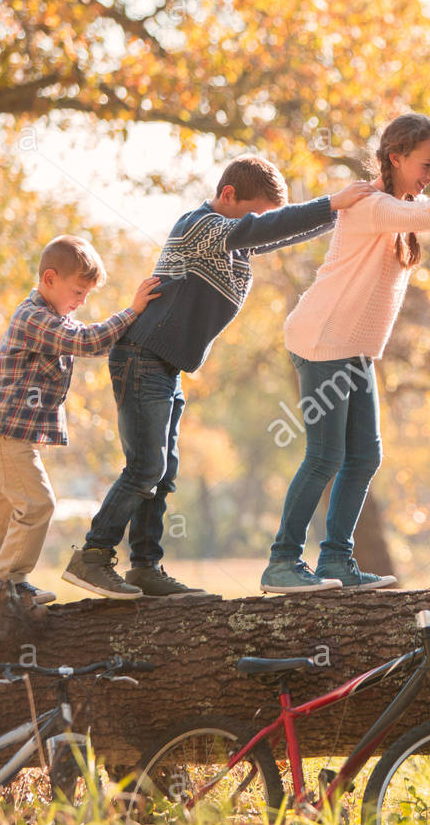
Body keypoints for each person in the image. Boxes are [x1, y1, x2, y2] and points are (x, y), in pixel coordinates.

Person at [62, 157, 375, 599]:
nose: (259, 224)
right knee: (145, 467)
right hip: (141, 356)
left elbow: (279, 230)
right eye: (254, 213)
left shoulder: (236, 240)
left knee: (163, 472)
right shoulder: (200, 225)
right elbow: (262, 229)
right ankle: (92, 556)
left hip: (165, 365)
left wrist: (342, 211)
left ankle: (145, 567)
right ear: (228, 196)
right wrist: (331, 201)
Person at [261, 114, 430, 593]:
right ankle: (282, 562)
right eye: (425, 165)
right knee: (325, 456)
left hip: (354, 351)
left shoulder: (399, 208)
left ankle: (336, 560)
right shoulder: (371, 205)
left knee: (364, 457)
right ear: (395, 158)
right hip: (323, 341)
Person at [0, 235, 160, 606]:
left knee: (1, 510)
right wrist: (131, 312)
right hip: (4, 434)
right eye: (78, 291)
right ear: (49, 279)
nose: (82, 302)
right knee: (38, 504)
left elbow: (89, 342)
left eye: (86, 296)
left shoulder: (53, 317)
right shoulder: (33, 317)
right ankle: (9, 586)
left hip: (6, 433)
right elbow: (87, 342)